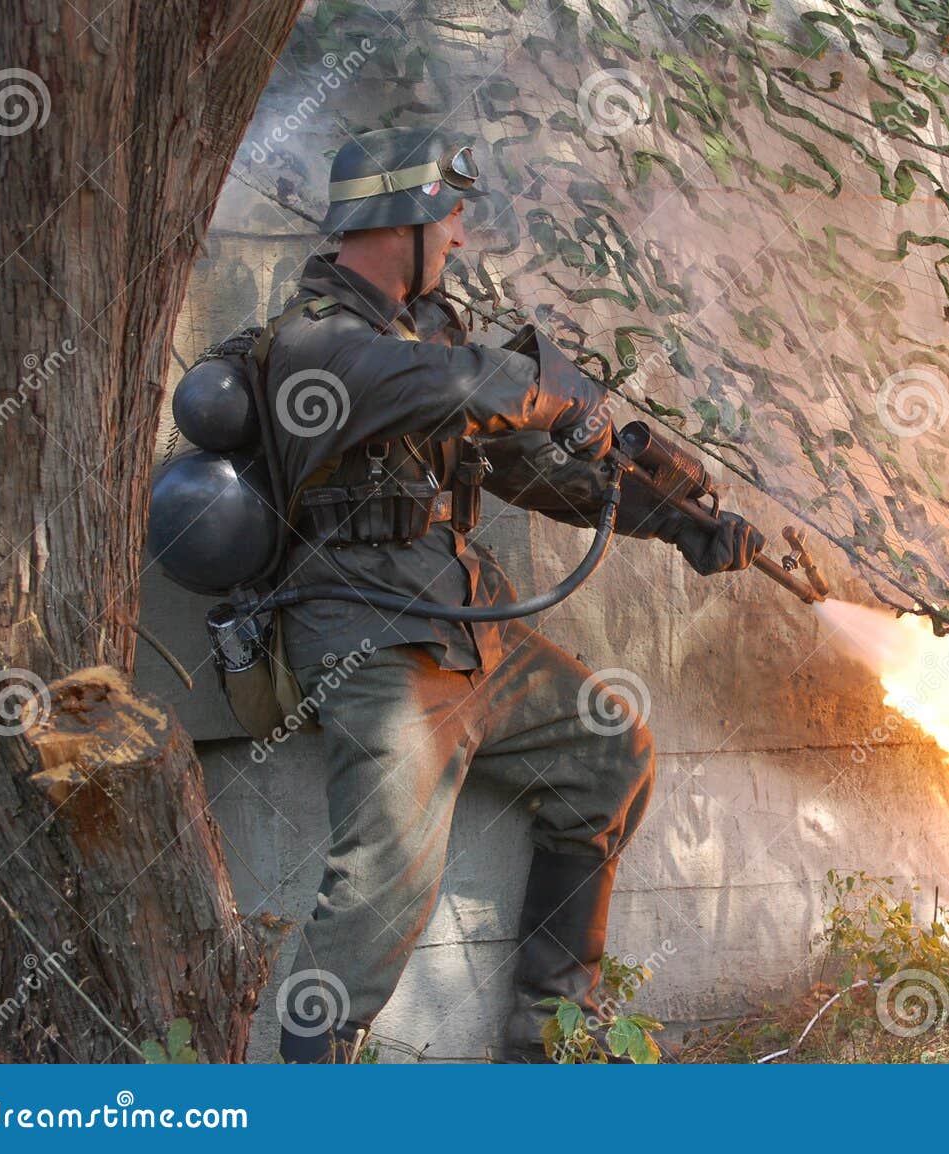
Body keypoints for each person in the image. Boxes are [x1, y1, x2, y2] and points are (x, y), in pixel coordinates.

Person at [264, 125, 762, 1062]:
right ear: (402, 217)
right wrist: (548, 386)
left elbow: (525, 468)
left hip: (465, 628)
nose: (459, 235)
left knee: (610, 750)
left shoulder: (431, 336)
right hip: (373, 647)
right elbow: (464, 390)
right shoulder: (316, 349)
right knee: (381, 886)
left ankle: (551, 1035)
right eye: (449, 215)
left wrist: (679, 521)